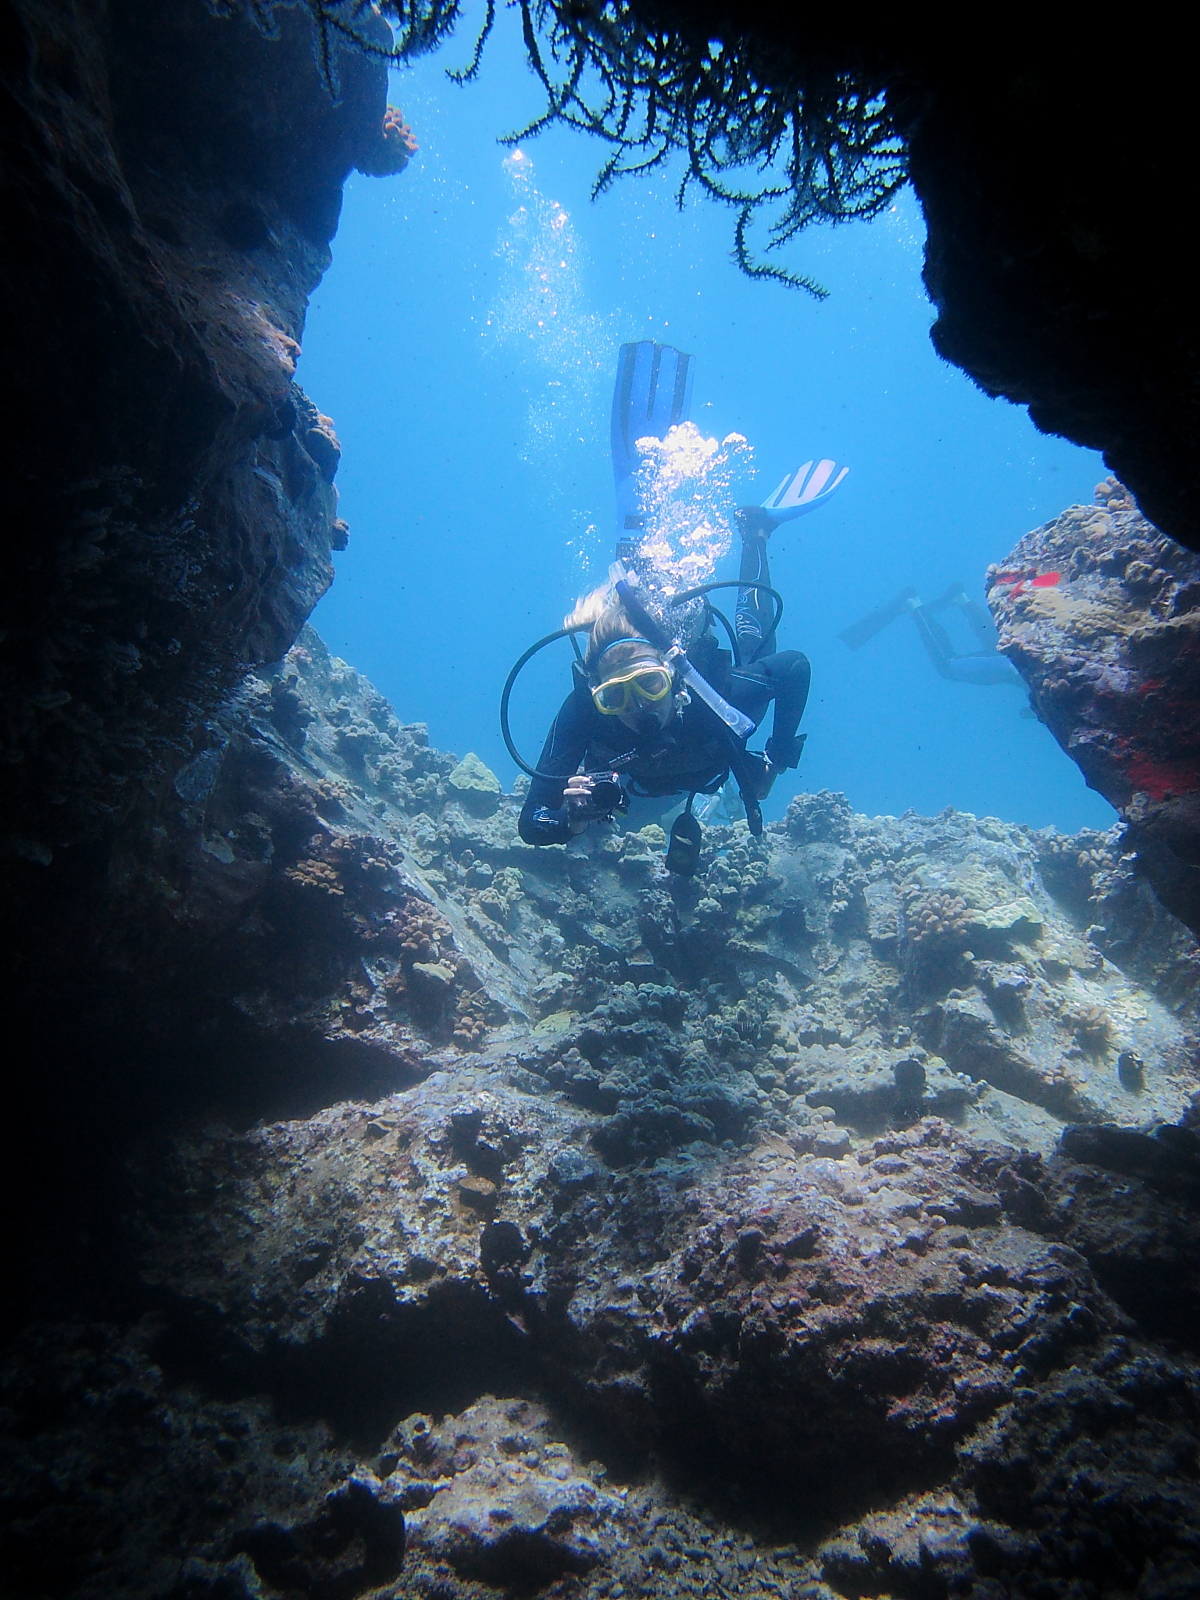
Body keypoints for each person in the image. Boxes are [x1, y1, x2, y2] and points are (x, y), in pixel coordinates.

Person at [516, 341, 845, 873]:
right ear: (595, 694)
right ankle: (646, 554)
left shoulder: (716, 697)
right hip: (672, 780)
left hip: (702, 700)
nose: (637, 708)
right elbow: (533, 822)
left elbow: (795, 669)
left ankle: (752, 533)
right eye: (615, 696)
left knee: (755, 636)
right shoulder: (586, 717)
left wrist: (778, 757)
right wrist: (570, 817)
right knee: (743, 635)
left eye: (649, 684)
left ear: (673, 672)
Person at [838, 582, 1023, 687]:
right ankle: (913, 605)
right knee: (948, 665)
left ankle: (960, 600)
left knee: (1002, 649)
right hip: (1018, 670)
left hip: (1020, 665)